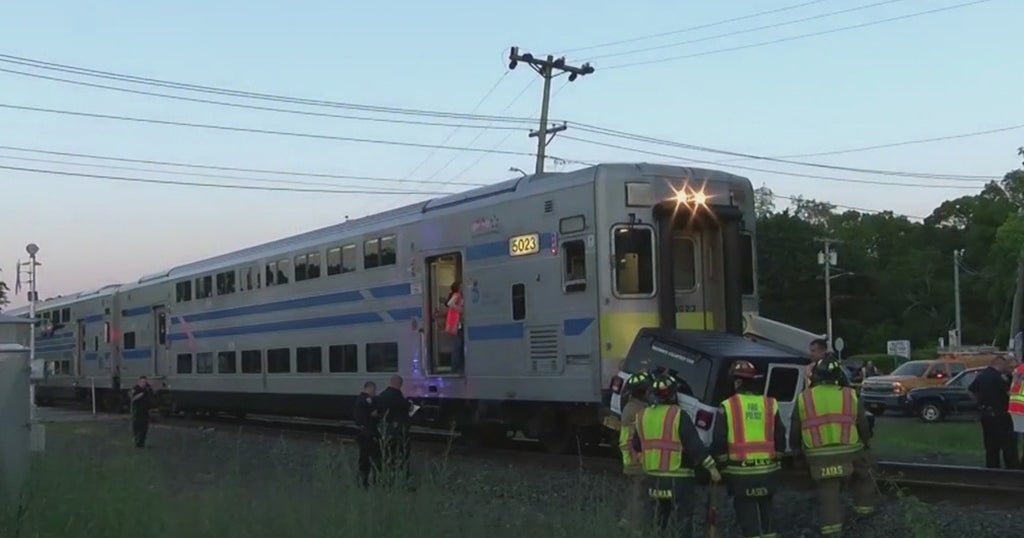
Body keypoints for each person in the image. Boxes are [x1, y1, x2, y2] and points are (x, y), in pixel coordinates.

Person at [790, 356, 877, 536]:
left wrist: (796, 451)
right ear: (838, 375)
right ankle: (865, 510)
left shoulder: (804, 398)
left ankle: (831, 529)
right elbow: (862, 423)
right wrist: (867, 443)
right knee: (864, 472)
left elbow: (795, 429)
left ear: (816, 376)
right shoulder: (849, 394)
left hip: (818, 455)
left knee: (828, 491)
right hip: (850, 452)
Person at [630, 373, 721, 538]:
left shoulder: (642, 416)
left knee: (657, 522)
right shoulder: (678, 415)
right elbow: (695, 447)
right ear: (673, 395)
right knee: (683, 521)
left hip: (653, 478)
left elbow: (636, 445)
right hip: (679, 480)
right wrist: (712, 468)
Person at [711, 360, 787, 538]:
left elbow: (718, 441)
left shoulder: (728, 406)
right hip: (768, 470)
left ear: (737, 382)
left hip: (740, 473)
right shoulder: (770, 404)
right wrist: (778, 459)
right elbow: (780, 435)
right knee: (767, 512)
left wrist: (721, 467)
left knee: (747, 513)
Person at [967, 354, 1019, 469]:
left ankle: (992, 472)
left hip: (986, 415)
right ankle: (1012, 471)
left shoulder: (982, 375)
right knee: (1009, 445)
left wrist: (979, 403)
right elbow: (1009, 394)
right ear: (1002, 362)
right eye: (1010, 365)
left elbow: (971, 391)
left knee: (991, 447)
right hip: (1002, 415)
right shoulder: (1000, 378)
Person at [617, 370, 652, 527]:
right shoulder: (641, 411)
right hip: (638, 459)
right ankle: (636, 528)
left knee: (633, 493)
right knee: (640, 495)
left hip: (629, 458)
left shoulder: (629, 407)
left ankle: (625, 521)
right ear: (644, 391)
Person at [376, 375, 413, 484]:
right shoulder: (399, 397)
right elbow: (408, 410)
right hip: (399, 430)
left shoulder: (382, 395)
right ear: (400, 384)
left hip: (385, 430)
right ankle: (402, 477)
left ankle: (385, 476)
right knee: (401, 454)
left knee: (387, 454)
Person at [353, 381, 381, 488]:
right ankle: (373, 481)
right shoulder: (366, 400)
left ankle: (362, 481)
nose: (374, 392)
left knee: (363, 458)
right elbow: (373, 413)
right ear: (369, 388)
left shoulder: (359, 399)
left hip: (362, 433)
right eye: (374, 390)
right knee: (374, 458)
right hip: (368, 433)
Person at [445, 281, 465, 373]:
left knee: (459, 345)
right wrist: (460, 309)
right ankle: (455, 368)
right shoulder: (457, 295)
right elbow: (450, 303)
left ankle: (458, 366)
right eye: (461, 286)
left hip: (458, 324)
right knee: (458, 346)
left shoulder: (459, 295)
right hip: (456, 324)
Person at [130, 376, 155, 448]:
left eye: (145, 382)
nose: (144, 383)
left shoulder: (148, 389)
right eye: (142, 382)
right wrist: (142, 394)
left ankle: (142, 443)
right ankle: (137, 442)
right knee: (137, 427)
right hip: (138, 412)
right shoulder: (136, 388)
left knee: (144, 428)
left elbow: (151, 396)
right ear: (139, 382)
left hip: (145, 412)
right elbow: (133, 398)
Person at [1008, 358, 1024, 468]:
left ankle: (1015, 462)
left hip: (1015, 407)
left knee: (1016, 437)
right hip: (1021, 408)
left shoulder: (1019, 369)